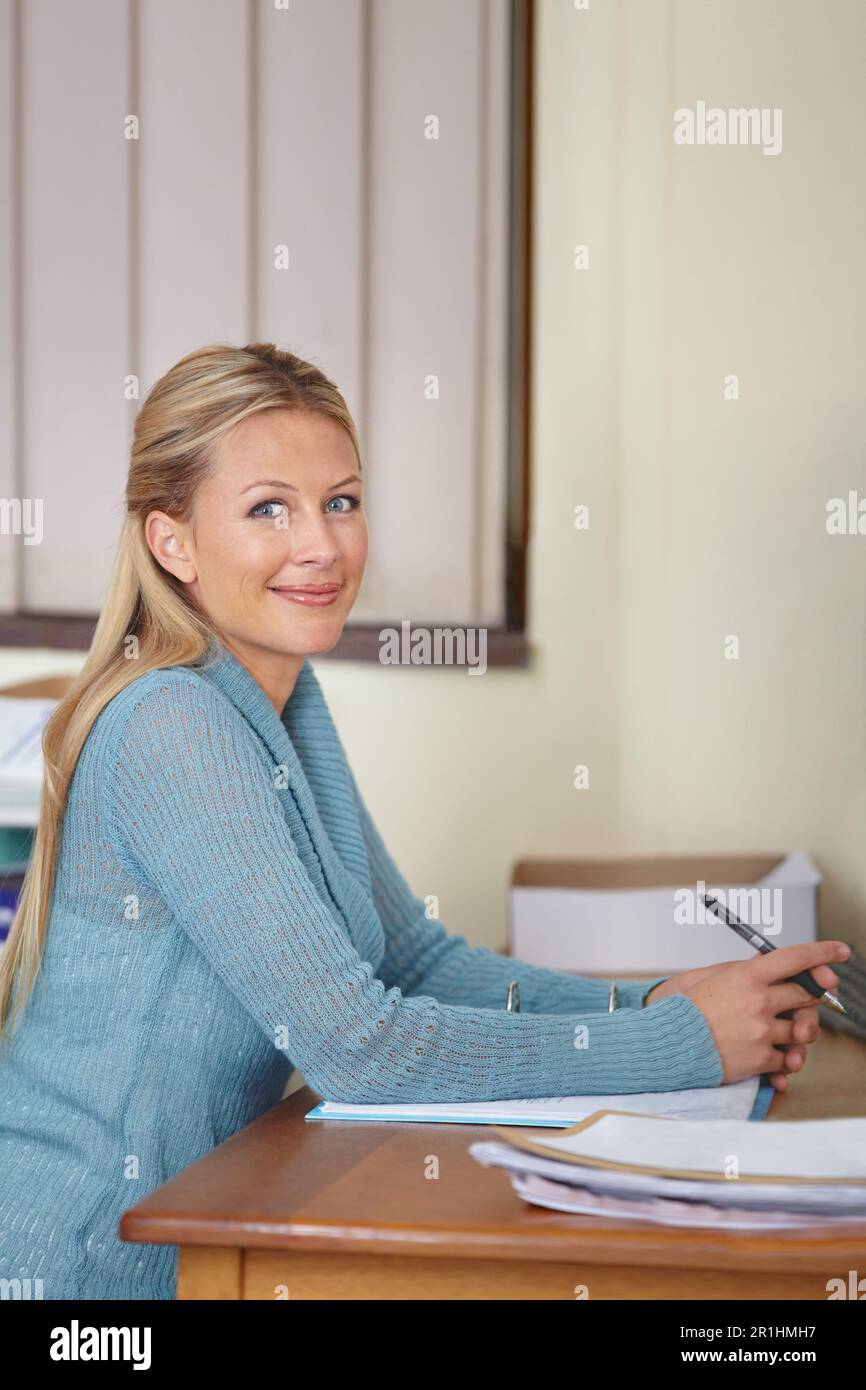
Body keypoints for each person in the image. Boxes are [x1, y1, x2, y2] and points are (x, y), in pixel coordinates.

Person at [0, 342, 846, 1300]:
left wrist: (651, 1003)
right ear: (173, 543)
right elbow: (358, 1047)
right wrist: (685, 1042)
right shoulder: (171, 722)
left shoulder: (281, 698)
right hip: (85, 1267)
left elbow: (414, 964)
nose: (321, 544)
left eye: (342, 501)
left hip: (197, 1228)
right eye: (268, 508)